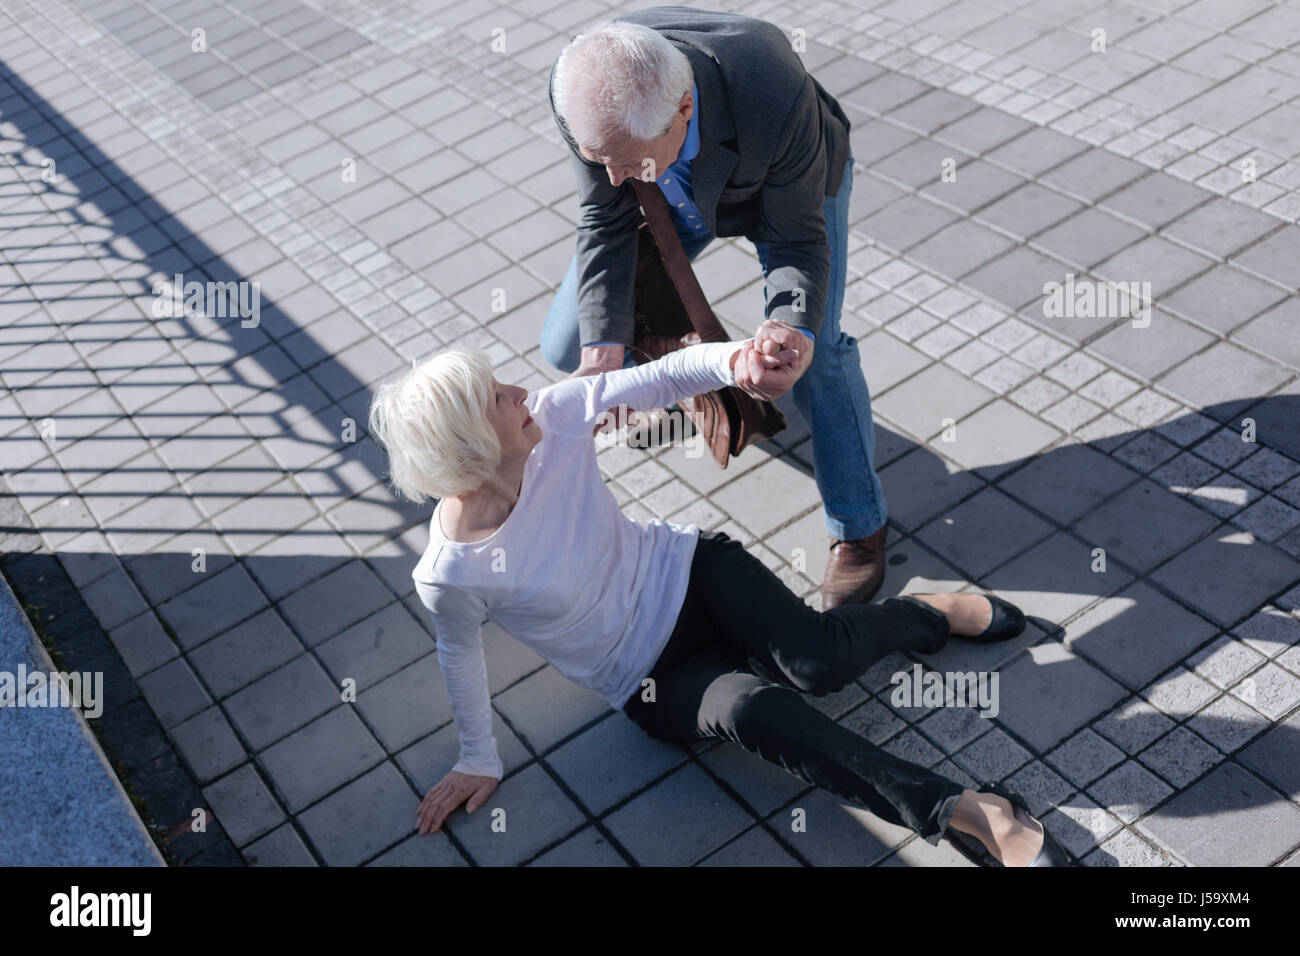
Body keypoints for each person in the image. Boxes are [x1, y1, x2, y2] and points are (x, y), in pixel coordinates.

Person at [367, 326, 1071, 866]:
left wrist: (739, 361)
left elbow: (665, 375)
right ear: (468, 446)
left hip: (691, 573)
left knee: (817, 664)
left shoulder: (556, 415)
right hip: (650, 678)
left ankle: (924, 615)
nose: (521, 391)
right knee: (757, 711)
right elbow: (456, 651)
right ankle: (966, 811)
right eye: (497, 398)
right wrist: (477, 758)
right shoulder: (451, 570)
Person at [541, 8, 893, 609]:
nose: (614, 177)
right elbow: (606, 215)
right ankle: (686, 385)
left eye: (625, 161)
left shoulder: (770, 88)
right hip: (673, 189)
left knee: (817, 355)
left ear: (683, 108)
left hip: (786, 184)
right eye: (600, 160)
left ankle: (860, 528)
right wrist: (604, 356)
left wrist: (788, 328)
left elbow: (796, 242)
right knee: (570, 343)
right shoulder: (582, 88)